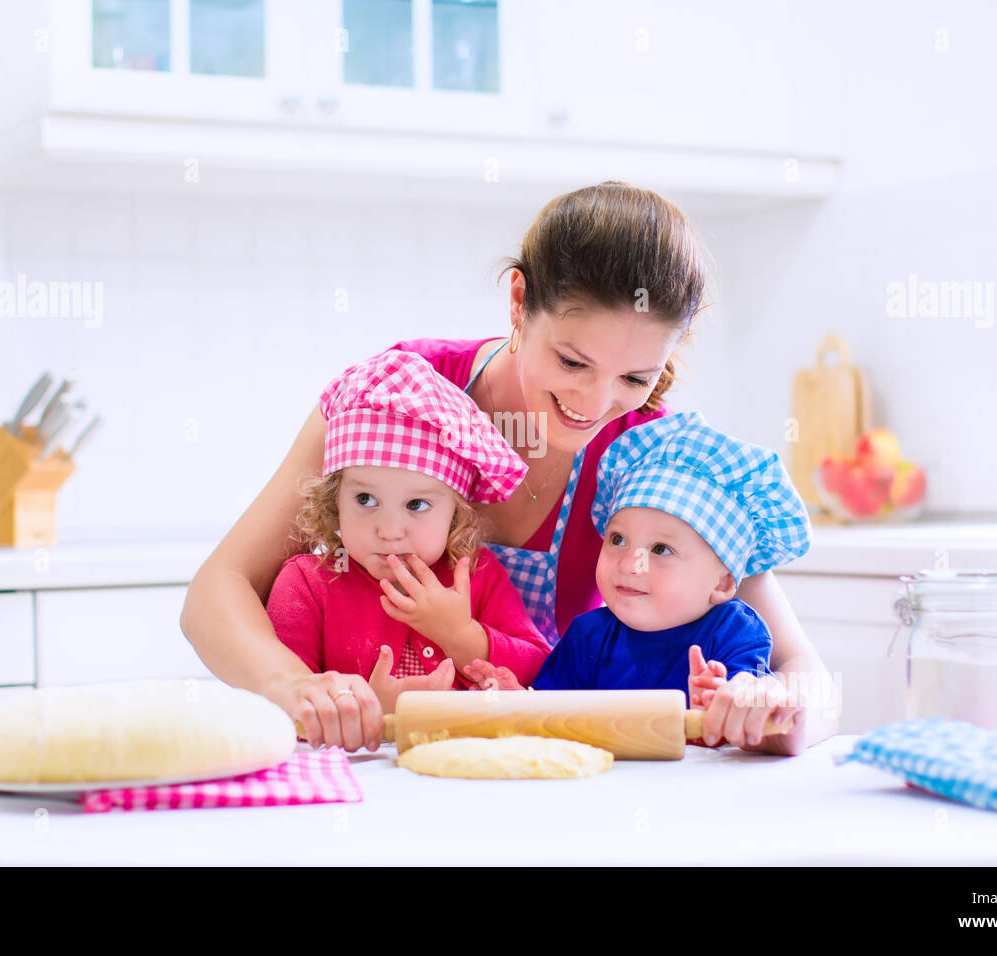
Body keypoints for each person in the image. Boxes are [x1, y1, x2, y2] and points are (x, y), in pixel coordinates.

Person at [181, 180, 839, 755]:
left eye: (635, 376)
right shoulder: (398, 394)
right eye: (573, 362)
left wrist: (779, 705)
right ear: (519, 302)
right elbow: (216, 593)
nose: (594, 403)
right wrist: (294, 687)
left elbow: (800, 663)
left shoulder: (654, 459)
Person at [463, 411, 812, 747]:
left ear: (721, 584)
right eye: (617, 539)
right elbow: (553, 719)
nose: (631, 563)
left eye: (661, 549)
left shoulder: (735, 632)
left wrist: (726, 701)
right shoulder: (589, 636)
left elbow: (750, 712)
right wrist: (521, 702)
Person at [264, 349, 552, 715]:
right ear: (334, 500)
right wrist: (369, 706)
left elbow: (540, 670)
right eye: (365, 499)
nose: (388, 530)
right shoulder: (307, 585)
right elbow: (285, 705)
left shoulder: (477, 575)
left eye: (416, 505)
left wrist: (461, 635)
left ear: (456, 514)